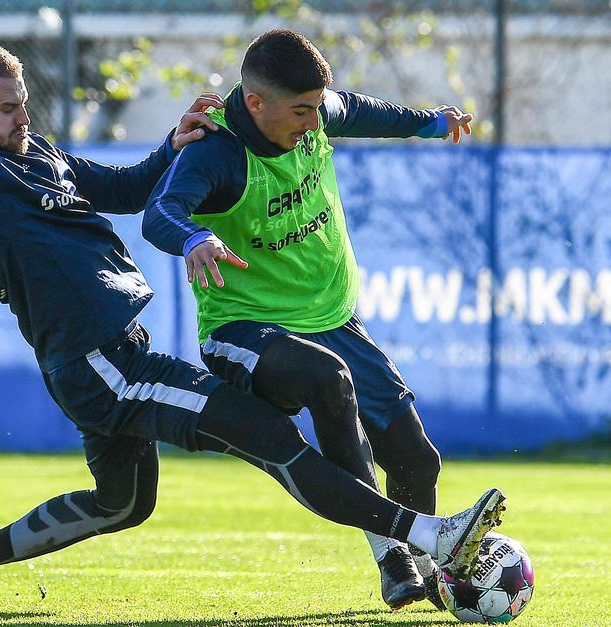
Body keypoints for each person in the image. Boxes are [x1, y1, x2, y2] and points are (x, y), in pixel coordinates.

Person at [0, 0, 505, 610]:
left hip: (117, 357)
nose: (23, 118)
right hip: (104, 370)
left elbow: (126, 190)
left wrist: (170, 148)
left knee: (122, 505)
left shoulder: (37, 156)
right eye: (7, 109)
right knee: (270, 436)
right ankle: (429, 538)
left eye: (24, 103)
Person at [142, 29, 476, 610]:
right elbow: (158, 211)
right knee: (327, 379)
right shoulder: (216, 152)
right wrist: (194, 236)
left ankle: (428, 575)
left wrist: (428, 122)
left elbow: (362, 110)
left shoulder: (313, 112)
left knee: (418, 460)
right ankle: (391, 555)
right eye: (301, 110)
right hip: (244, 331)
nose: (314, 120)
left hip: (334, 319)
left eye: (318, 106)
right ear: (255, 103)